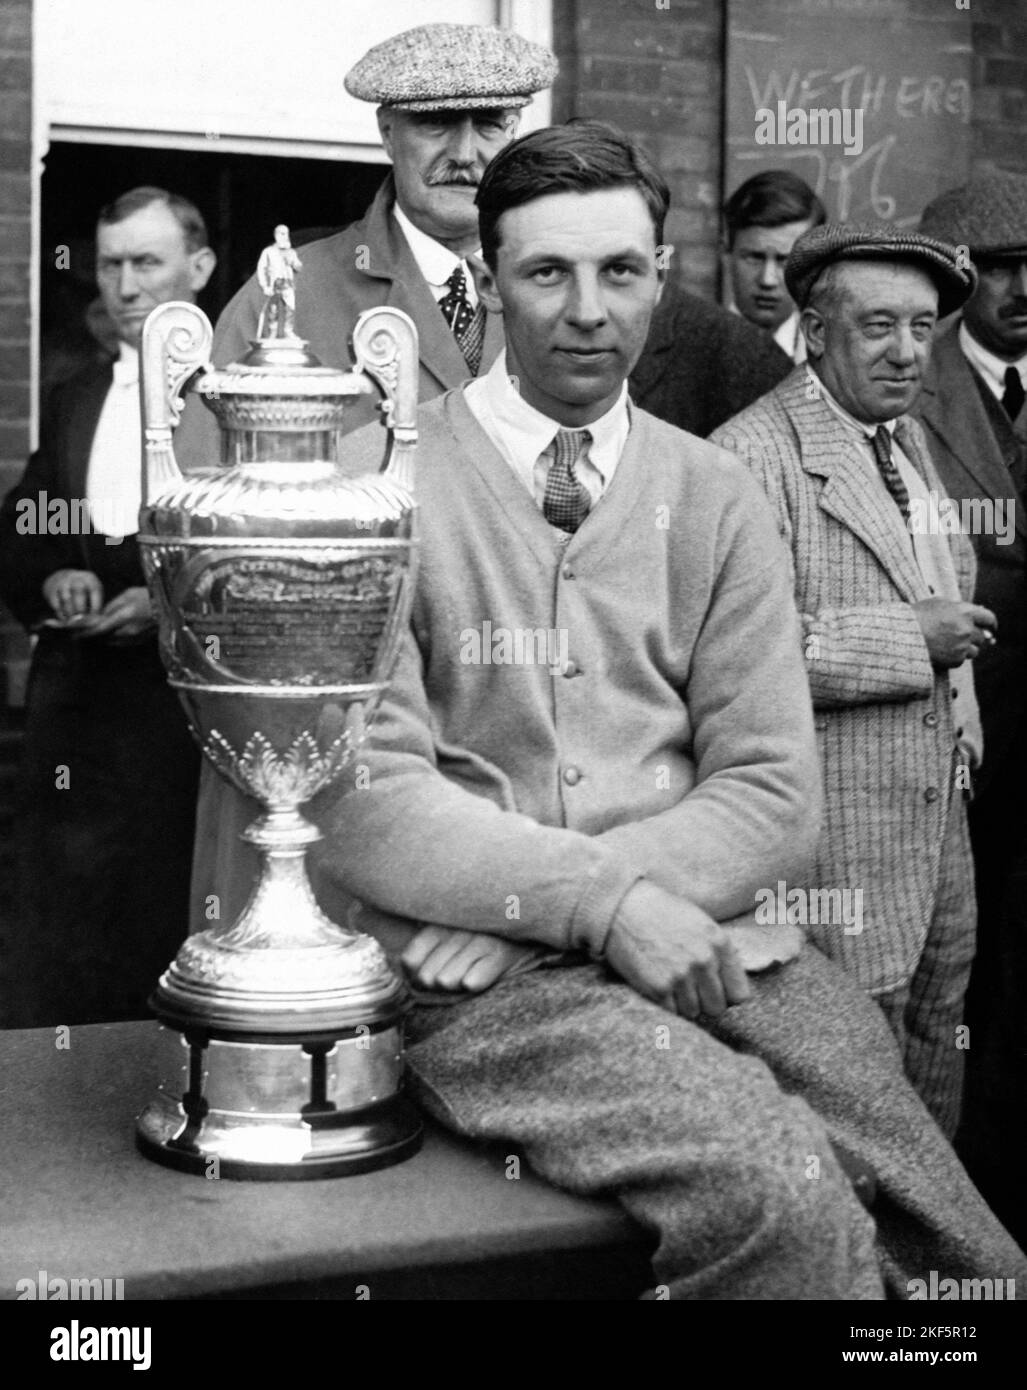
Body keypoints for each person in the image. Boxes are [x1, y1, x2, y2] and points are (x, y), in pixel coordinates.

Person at [301, 124, 1021, 1298]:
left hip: (703, 944)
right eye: (547, 273)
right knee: (778, 1197)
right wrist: (602, 908)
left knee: (962, 1246)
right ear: (484, 284)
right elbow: (368, 798)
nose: (587, 310)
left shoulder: (714, 492)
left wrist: (569, 904)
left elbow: (774, 797)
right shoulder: (379, 487)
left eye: (621, 272)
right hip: (476, 991)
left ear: (658, 278)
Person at [712, 224, 990, 1137]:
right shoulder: (748, 456)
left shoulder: (899, 437)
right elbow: (725, 658)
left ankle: (925, 1267)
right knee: (843, 1099)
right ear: (816, 332)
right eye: (877, 326)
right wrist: (911, 641)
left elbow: (937, 586)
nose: (906, 351)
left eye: (920, 327)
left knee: (928, 1055)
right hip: (830, 849)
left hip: (931, 830)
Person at [0, 187, 216, 1026]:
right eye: (110, 264)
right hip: (81, 703)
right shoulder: (75, 395)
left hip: (185, 703)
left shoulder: (232, 397)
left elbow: (260, 547)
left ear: (197, 269)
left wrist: (167, 608)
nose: (125, 285)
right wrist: (52, 573)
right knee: (67, 909)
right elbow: (28, 516)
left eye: (147, 263)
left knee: (168, 899)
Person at [915, 168, 1027, 1242]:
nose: (1022, 288)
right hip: (964, 728)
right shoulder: (912, 380)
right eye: (999, 268)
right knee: (960, 972)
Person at [723, 169, 826, 363]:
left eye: (784, 260)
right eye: (754, 257)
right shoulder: (691, 352)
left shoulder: (830, 362)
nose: (767, 280)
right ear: (726, 255)